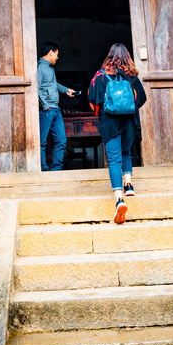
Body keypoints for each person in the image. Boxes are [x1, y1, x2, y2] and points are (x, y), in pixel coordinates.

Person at [88, 43, 147, 223]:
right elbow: (142, 99)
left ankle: (119, 200)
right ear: (127, 57)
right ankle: (128, 185)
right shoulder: (132, 77)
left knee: (114, 159)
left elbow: (93, 100)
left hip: (110, 123)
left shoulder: (101, 76)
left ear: (109, 56)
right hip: (129, 122)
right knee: (126, 152)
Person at [37, 41, 78, 171]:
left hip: (56, 110)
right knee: (42, 142)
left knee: (61, 140)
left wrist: (66, 90)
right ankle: (43, 169)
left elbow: (53, 85)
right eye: (56, 54)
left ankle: (56, 170)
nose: (57, 57)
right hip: (47, 110)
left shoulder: (50, 68)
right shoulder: (40, 68)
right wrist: (45, 106)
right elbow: (36, 89)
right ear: (50, 52)